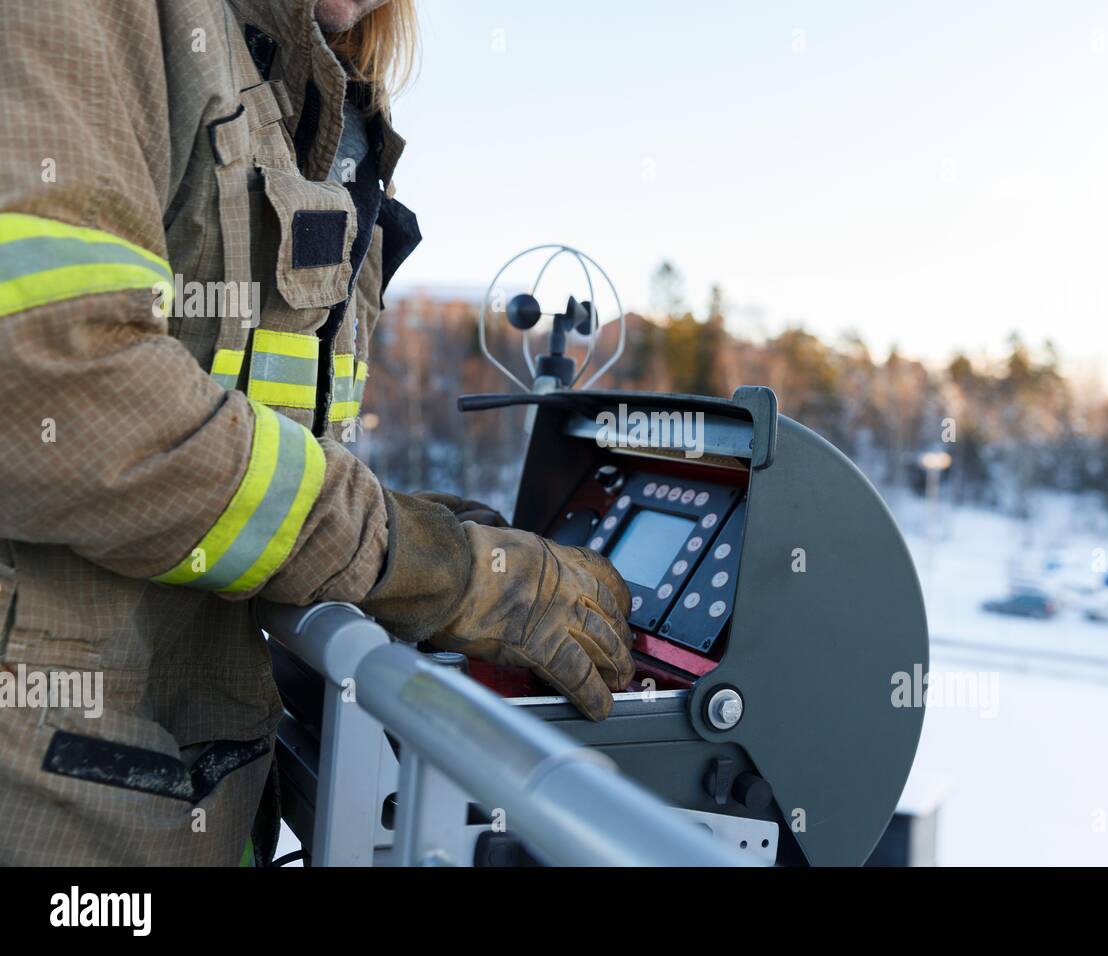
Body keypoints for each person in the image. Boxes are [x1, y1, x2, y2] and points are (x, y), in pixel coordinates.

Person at [0, 0, 634, 866]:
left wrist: (436, 542)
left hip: (195, 797)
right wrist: (430, 568)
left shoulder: (325, 108)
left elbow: (261, 461)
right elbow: (52, 383)